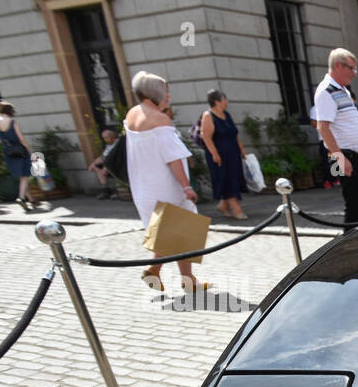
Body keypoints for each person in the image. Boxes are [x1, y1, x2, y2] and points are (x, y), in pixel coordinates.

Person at [123, 71, 204, 292]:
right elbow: (173, 157)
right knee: (181, 230)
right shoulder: (159, 118)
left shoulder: (133, 114)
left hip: (144, 186)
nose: (168, 96)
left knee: (174, 232)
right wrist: (186, 186)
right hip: (166, 185)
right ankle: (155, 269)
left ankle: (187, 279)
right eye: (166, 91)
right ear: (156, 93)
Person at [314, 47, 358, 224]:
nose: (354, 73)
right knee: (354, 205)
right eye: (351, 68)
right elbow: (322, 127)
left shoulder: (343, 90)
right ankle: (351, 248)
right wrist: (339, 158)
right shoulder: (326, 90)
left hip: (355, 156)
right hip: (342, 155)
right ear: (338, 66)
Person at [199, 90, 247, 220]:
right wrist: (215, 154)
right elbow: (206, 137)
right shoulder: (208, 116)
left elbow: (234, 134)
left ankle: (223, 206)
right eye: (225, 99)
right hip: (219, 155)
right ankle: (237, 210)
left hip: (233, 154)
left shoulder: (227, 114)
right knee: (226, 180)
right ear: (217, 101)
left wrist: (241, 150)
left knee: (233, 178)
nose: (227, 101)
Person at [0, 102, 37, 209]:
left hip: (7, 151)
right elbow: (21, 139)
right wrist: (30, 151)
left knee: (20, 176)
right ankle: (21, 198)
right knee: (25, 175)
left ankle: (32, 199)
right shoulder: (12, 121)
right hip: (20, 150)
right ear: (10, 111)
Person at [86, 126, 119, 199]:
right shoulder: (108, 145)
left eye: (106, 137)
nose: (105, 140)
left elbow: (112, 157)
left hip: (117, 165)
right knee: (96, 167)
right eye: (104, 138)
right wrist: (93, 164)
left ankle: (118, 191)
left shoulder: (117, 144)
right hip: (108, 165)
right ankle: (105, 189)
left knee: (106, 169)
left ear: (112, 136)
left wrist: (106, 167)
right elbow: (102, 157)